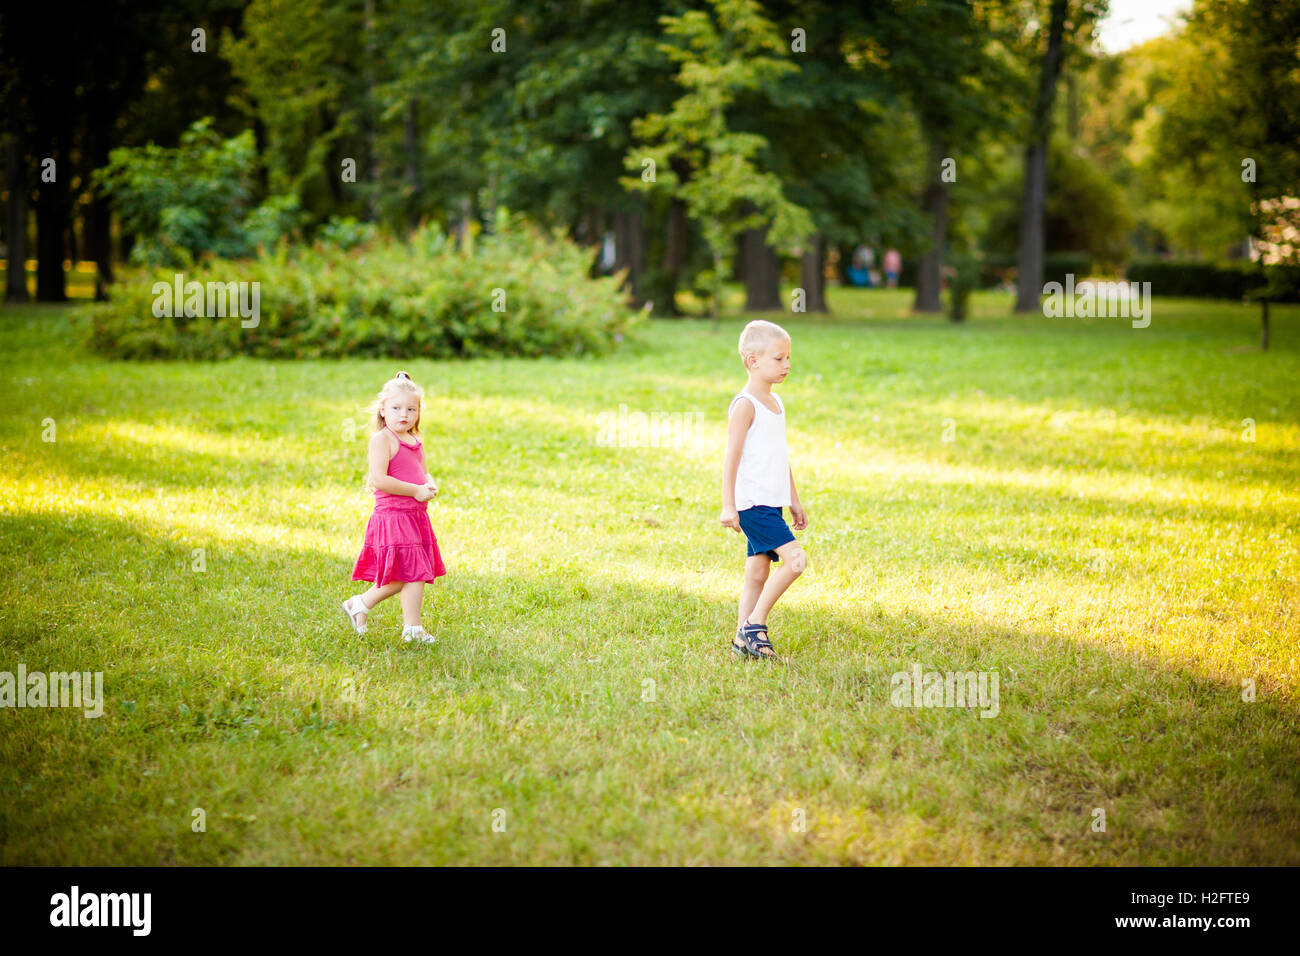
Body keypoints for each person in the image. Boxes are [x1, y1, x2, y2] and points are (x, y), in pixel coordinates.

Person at [719, 320, 809, 660]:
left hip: (773, 503)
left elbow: (780, 456)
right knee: (796, 560)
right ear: (752, 360)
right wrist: (729, 506)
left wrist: (794, 499)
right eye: (779, 359)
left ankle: (741, 642)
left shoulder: (777, 403)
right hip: (752, 503)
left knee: (758, 570)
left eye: (788, 358)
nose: (787, 365)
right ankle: (754, 626)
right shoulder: (745, 405)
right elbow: (731, 458)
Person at [342, 371, 446, 644]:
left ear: (418, 412)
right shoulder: (382, 439)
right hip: (393, 516)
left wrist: (429, 485)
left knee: (414, 571)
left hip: (415, 515)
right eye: (397, 408)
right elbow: (380, 479)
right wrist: (415, 491)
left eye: (411, 409)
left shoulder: (415, 440)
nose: (404, 414)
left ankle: (360, 604)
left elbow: (423, 472)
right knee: (412, 571)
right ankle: (411, 629)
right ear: (383, 409)